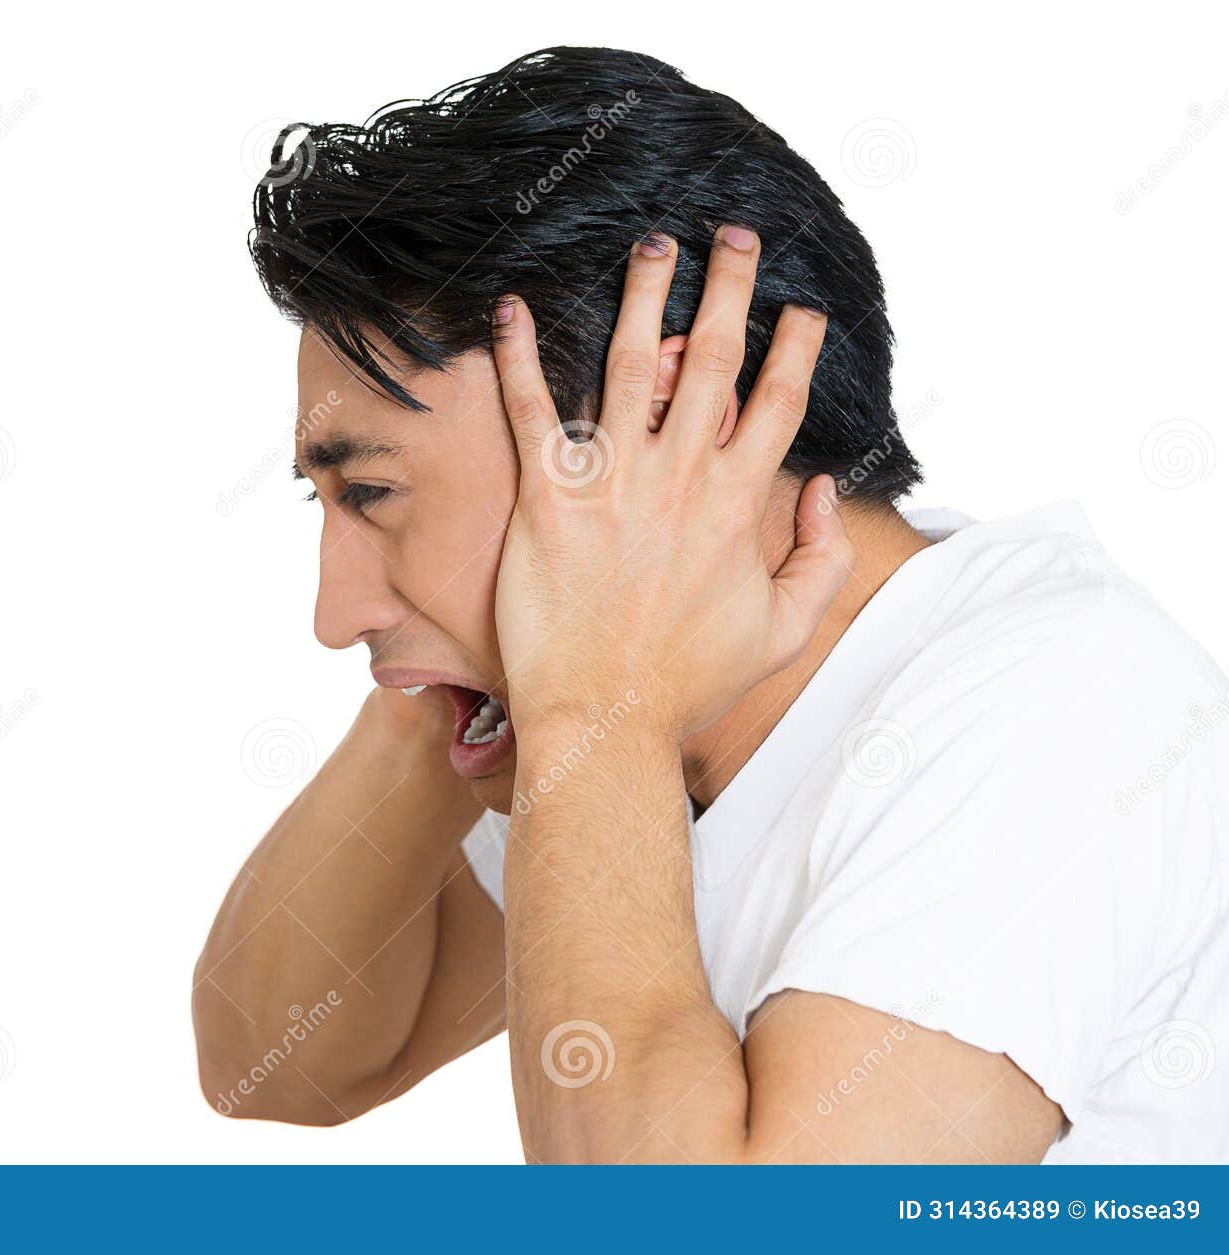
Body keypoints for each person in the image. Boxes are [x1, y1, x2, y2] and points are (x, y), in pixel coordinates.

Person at [194, 47, 1228, 1163]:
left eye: (373, 493)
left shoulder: (1051, 700)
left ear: (678, 413)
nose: (332, 612)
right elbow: (286, 1056)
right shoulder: (657, 709)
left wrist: (590, 694)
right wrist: (458, 668)